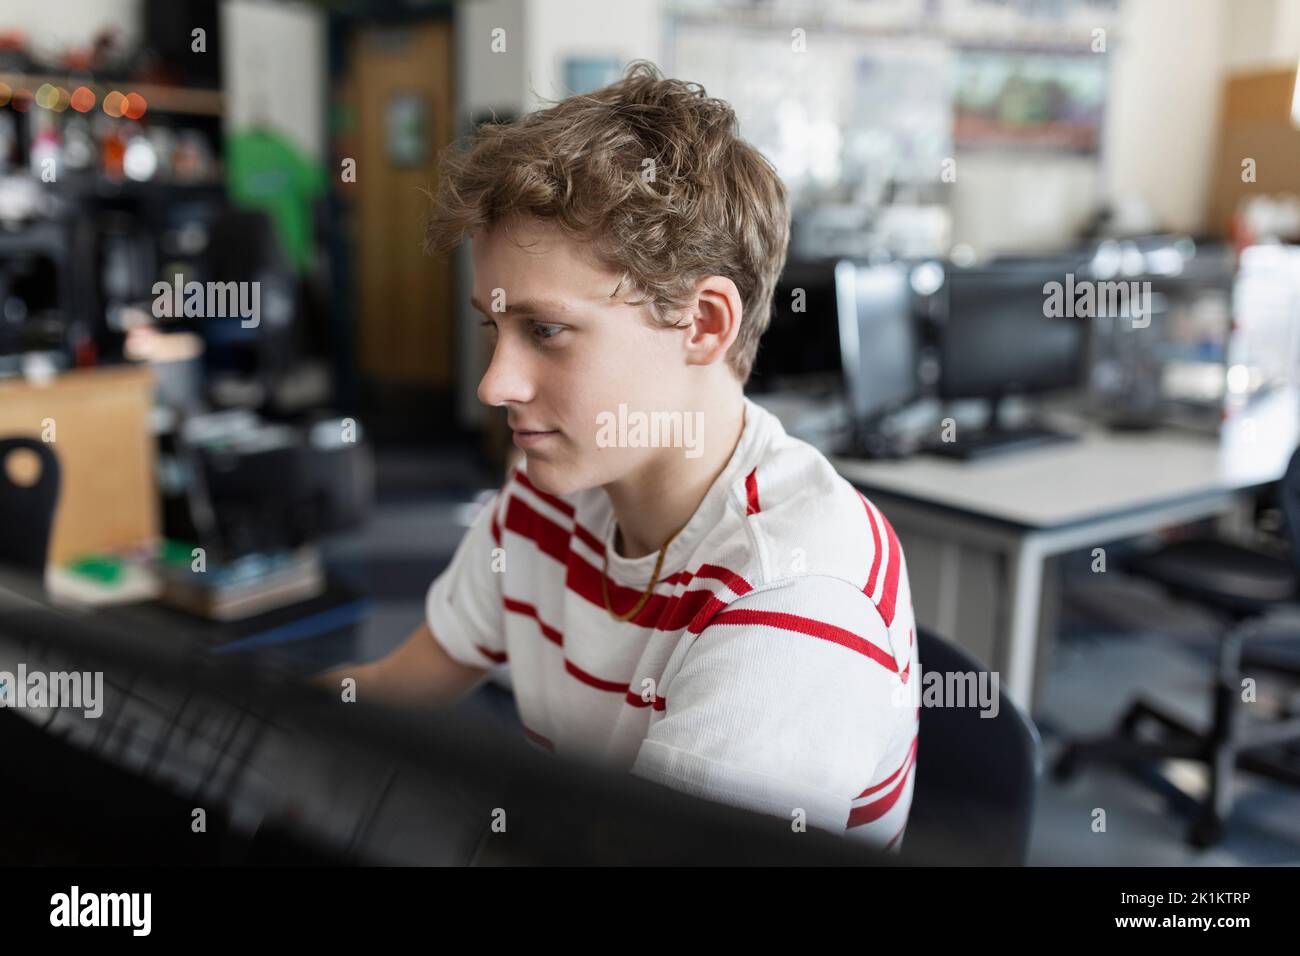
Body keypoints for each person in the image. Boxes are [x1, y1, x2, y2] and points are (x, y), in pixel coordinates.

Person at [320, 60, 919, 850]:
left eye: (546, 331)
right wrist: (237, 720)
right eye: (492, 328)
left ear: (703, 324)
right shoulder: (550, 492)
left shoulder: (792, 601)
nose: (495, 386)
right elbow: (396, 688)